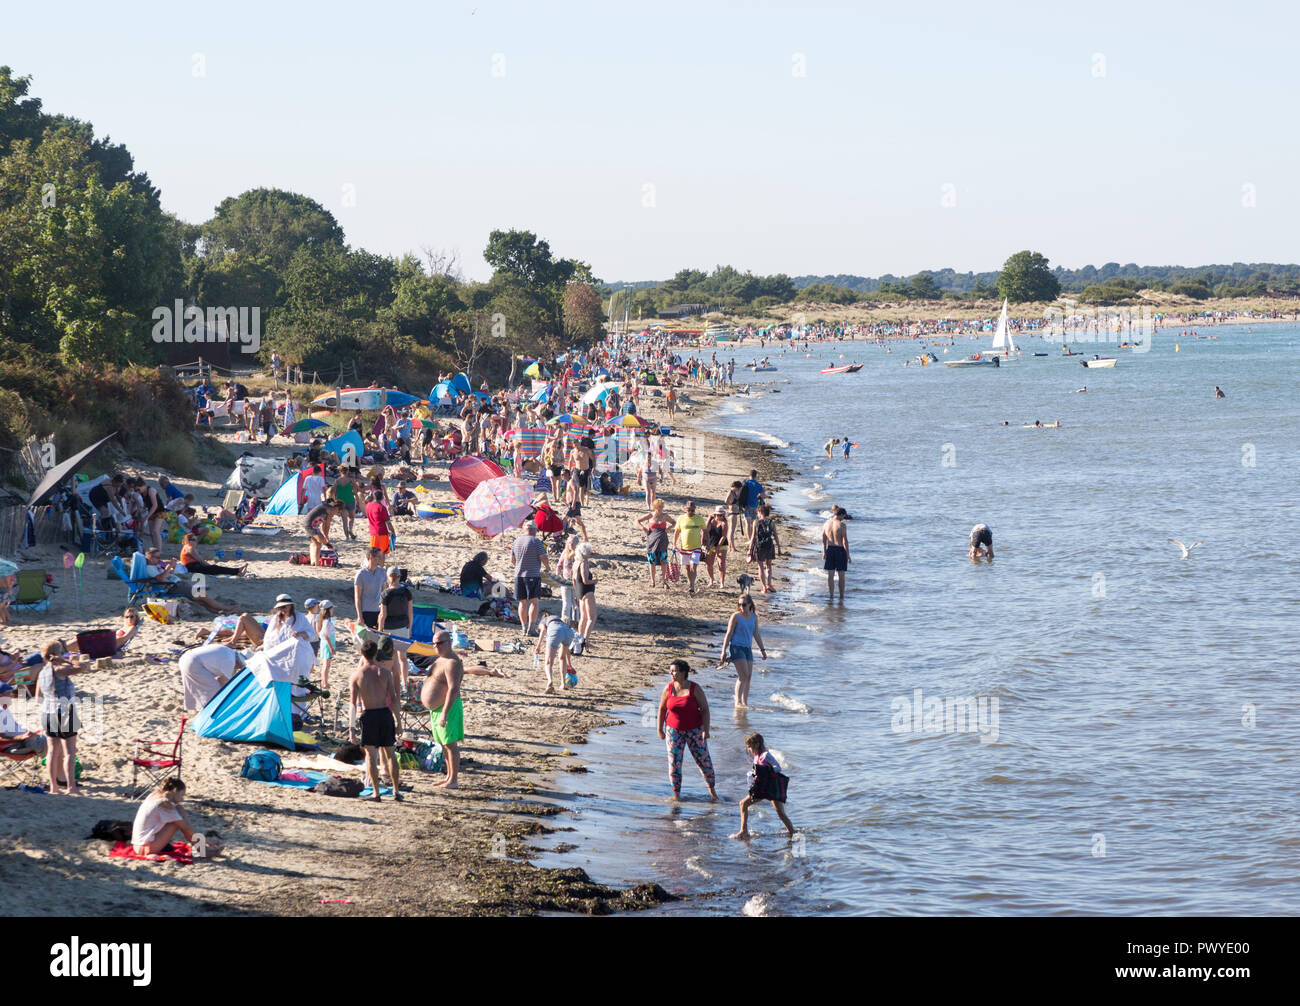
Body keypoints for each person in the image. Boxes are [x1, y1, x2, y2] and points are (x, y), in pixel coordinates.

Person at [421, 630, 506, 788]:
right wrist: (488, 671)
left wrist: (444, 714)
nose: (435, 646)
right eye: (433, 643)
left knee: (451, 745)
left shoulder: (452, 662)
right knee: (444, 744)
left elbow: (453, 689)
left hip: (448, 708)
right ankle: (448, 777)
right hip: (436, 709)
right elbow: (468, 669)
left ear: (449, 642)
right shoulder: (441, 660)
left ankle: (453, 780)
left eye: (439, 643)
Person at [36, 639, 98, 795]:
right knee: (69, 752)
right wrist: (68, 661)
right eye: (62, 652)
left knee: (52, 752)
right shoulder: (58, 670)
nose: (64, 654)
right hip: (64, 712)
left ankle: (53, 787)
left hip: (48, 713)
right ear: (54, 654)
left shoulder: (42, 672)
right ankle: (71, 787)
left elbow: (38, 697)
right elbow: (82, 667)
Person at [348, 640, 401, 802]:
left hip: (369, 714)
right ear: (376, 653)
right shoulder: (385, 673)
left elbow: (352, 704)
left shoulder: (357, 675)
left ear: (362, 654)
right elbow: (394, 698)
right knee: (391, 754)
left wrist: (351, 728)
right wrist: (398, 721)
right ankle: (396, 791)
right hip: (385, 714)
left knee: (371, 755)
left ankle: (376, 793)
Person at [655, 659, 717, 801]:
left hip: (695, 731)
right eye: (670, 671)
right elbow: (662, 709)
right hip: (673, 731)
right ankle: (676, 795)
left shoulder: (695, 688)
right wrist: (660, 729)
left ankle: (713, 793)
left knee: (704, 761)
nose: (672, 673)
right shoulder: (668, 688)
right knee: (674, 763)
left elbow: (705, 710)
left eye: (674, 671)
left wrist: (706, 730)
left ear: (683, 672)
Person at [731, 732, 794, 840]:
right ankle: (792, 832)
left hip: (768, 787)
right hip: (763, 786)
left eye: (749, 746)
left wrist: (765, 772)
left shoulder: (765, 755)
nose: (749, 749)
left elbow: (778, 767)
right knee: (780, 812)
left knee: (743, 804)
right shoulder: (757, 756)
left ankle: (744, 831)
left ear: (757, 744)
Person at [132, 778, 217, 855]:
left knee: (179, 810)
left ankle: (202, 849)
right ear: (175, 790)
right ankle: (203, 851)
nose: (182, 799)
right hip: (145, 848)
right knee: (179, 821)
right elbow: (186, 828)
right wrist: (207, 841)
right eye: (181, 795)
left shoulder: (154, 795)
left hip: (138, 844)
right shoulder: (165, 804)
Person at [718, 594, 766, 708]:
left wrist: (762, 650)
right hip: (736, 648)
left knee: (748, 676)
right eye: (739, 604)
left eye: (744, 604)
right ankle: (737, 702)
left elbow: (756, 634)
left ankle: (745, 702)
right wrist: (723, 650)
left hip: (748, 649)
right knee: (743, 675)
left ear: (750, 604)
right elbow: (728, 634)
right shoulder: (735, 616)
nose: (741, 607)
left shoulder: (754, 617)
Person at [511, 521, 551, 637]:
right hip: (532, 574)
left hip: (519, 574)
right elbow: (543, 556)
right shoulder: (536, 541)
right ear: (534, 530)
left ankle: (523, 628)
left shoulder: (516, 541)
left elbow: (512, 560)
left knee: (522, 602)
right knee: (534, 601)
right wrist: (547, 567)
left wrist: (519, 566)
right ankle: (531, 628)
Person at [179, 641, 244, 712]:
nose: (238, 669)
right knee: (214, 693)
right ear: (240, 663)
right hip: (194, 663)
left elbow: (221, 678)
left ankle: (199, 709)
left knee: (197, 688)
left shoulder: (228, 652)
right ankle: (208, 712)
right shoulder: (230, 661)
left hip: (185, 658)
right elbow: (228, 682)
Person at [379, 567, 414, 687]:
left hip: (390, 627)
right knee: (403, 657)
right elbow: (410, 611)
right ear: (399, 577)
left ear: (388, 577)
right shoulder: (406, 592)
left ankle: (393, 683)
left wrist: (380, 630)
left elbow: (383, 614)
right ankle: (404, 682)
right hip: (403, 626)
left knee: (391, 657)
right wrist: (410, 627)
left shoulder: (385, 593)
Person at [533, 612, 577, 693]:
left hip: (555, 631)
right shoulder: (558, 619)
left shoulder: (543, 621)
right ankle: (563, 684)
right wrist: (569, 664)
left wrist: (538, 646)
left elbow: (542, 631)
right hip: (568, 631)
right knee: (562, 658)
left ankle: (550, 681)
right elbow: (567, 651)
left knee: (548, 662)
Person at [636, 499, 672, 590]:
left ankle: (664, 581)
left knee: (663, 561)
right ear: (655, 507)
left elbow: (674, 522)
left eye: (661, 507)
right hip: (652, 540)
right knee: (652, 561)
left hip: (663, 540)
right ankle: (653, 581)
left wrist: (669, 528)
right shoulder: (650, 515)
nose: (660, 509)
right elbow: (637, 521)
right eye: (658, 507)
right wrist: (643, 528)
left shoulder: (665, 516)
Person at [672, 500, 707, 595]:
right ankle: (690, 582)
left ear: (695, 509)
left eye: (692, 510)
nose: (691, 512)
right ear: (685, 509)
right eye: (689, 510)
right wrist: (674, 544)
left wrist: (704, 542)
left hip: (696, 547)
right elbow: (677, 532)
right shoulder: (681, 518)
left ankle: (692, 585)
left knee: (693, 566)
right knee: (687, 567)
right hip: (684, 547)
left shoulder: (699, 518)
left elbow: (704, 530)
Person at [179, 532, 246, 577]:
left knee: (215, 568)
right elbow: (200, 560)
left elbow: (199, 560)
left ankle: (237, 571)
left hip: (192, 566)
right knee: (215, 568)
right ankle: (238, 571)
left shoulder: (187, 547)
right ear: (189, 541)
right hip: (192, 567)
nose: (195, 541)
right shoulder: (190, 548)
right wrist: (209, 566)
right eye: (193, 540)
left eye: (196, 539)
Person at [748, 503, 781, 593]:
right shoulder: (771, 522)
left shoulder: (756, 522)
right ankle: (769, 584)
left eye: (758, 513)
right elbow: (775, 536)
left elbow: (753, 537)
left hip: (759, 547)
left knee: (760, 567)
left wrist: (749, 550)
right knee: (769, 566)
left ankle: (764, 587)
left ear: (760, 512)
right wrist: (778, 547)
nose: (757, 514)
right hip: (769, 545)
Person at [302, 497, 342, 565]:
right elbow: (327, 526)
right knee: (320, 542)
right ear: (336, 509)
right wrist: (326, 539)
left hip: (315, 526)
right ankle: (316, 563)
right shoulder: (329, 510)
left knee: (316, 544)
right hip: (310, 524)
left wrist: (326, 536)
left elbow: (324, 526)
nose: (336, 514)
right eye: (338, 512)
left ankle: (314, 562)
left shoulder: (328, 509)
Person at [822, 505, 850, 601]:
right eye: (844, 516)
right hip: (839, 550)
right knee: (841, 576)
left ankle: (831, 595)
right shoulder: (841, 525)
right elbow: (845, 541)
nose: (844, 518)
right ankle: (841, 597)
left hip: (830, 549)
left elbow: (823, 540)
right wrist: (848, 554)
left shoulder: (826, 523)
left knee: (830, 575)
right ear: (841, 515)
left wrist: (824, 552)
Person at [354, 547, 386, 629]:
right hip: (366, 612)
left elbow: (384, 593)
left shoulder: (382, 572)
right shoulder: (361, 574)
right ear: (371, 557)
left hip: (379, 612)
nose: (382, 559)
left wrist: (384, 611)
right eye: (379, 556)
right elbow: (357, 597)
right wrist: (359, 616)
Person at [574, 542, 597, 642]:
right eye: (588, 551)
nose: (590, 553)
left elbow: (573, 579)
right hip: (587, 591)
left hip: (579, 591)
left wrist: (576, 593)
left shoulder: (576, 562)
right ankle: (585, 641)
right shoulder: (584, 563)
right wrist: (595, 581)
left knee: (583, 617)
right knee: (591, 618)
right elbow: (585, 580)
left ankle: (580, 639)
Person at [704, 506, 730, 588]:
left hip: (722, 544)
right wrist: (709, 518)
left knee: (721, 563)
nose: (719, 516)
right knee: (709, 563)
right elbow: (705, 529)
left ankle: (722, 582)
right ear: (715, 514)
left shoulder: (724, 523)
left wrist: (718, 547)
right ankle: (711, 580)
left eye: (721, 515)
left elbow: (724, 536)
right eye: (718, 515)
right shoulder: (711, 521)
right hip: (711, 543)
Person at [316, 599, 338, 689]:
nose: (333, 610)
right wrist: (331, 648)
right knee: (326, 665)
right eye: (332, 609)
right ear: (328, 610)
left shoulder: (323, 620)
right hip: (327, 644)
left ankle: (324, 682)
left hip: (325, 643)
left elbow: (320, 633)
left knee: (326, 664)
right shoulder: (326, 621)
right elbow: (326, 635)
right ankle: (324, 683)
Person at [365, 491, 394, 556]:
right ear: (382, 498)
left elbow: (366, 500)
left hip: (372, 533)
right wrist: (393, 532)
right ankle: (380, 565)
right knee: (382, 553)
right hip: (381, 532)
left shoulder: (368, 505)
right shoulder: (381, 507)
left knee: (373, 554)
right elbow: (388, 522)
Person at [741, 468, 765, 541]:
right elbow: (763, 495)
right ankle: (752, 539)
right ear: (756, 476)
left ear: (749, 475)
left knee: (747, 524)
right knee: (753, 524)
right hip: (754, 506)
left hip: (745, 505)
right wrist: (758, 496)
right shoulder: (758, 485)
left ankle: (749, 540)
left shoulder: (745, 482)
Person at [334, 468, 358, 540]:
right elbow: (355, 490)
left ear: (340, 471)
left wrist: (336, 501)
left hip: (341, 502)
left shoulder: (337, 481)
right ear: (347, 471)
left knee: (344, 520)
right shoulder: (351, 480)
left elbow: (335, 493)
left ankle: (347, 537)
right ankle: (350, 529)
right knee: (351, 518)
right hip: (350, 499)